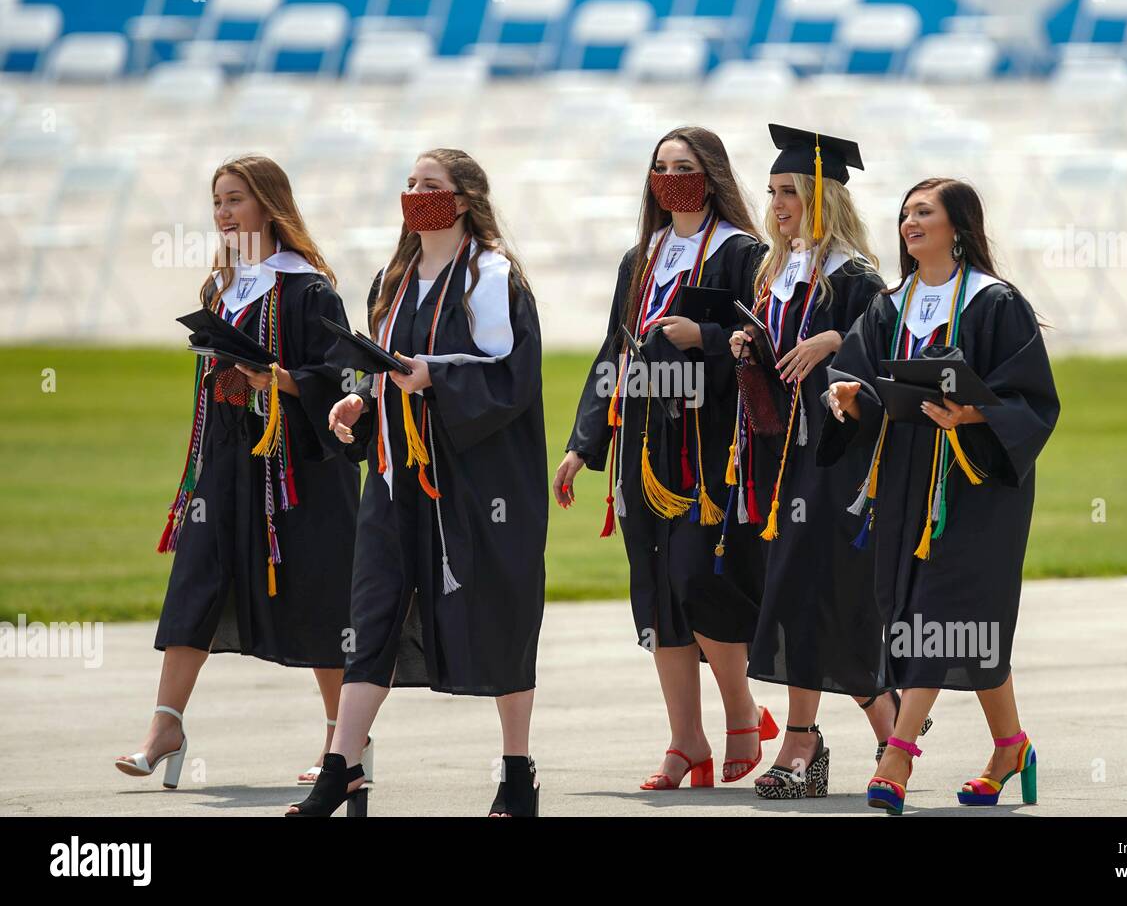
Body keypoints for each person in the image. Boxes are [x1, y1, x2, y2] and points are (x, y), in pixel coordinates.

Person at [287, 148, 546, 817]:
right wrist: (360, 404)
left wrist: (437, 376)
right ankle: (339, 768)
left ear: (462, 200)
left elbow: (512, 379)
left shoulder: (494, 277)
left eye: (430, 185)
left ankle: (517, 772)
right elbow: (384, 369)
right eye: (409, 184)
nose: (415, 194)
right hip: (398, 476)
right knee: (371, 615)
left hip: (477, 481)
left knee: (500, 615)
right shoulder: (393, 278)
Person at [115, 155, 360, 789]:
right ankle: (164, 727)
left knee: (317, 592)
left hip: (296, 467)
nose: (223, 214)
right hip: (226, 460)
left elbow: (344, 378)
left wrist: (276, 379)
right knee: (196, 576)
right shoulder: (220, 290)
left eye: (235, 201)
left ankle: (343, 742)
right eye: (217, 202)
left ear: (268, 207)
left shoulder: (309, 289)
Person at [820, 177, 1060, 814]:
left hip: (975, 485)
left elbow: (1032, 399)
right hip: (905, 481)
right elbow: (866, 381)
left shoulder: (994, 302)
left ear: (959, 226)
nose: (909, 223)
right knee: (953, 624)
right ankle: (1010, 747)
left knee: (937, 613)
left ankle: (897, 756)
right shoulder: (890, 305)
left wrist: (972, 418)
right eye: (904, 214)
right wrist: (847, 397)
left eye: (924, 212)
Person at [554, 126, 777, 789]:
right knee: (654, 598)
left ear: (711, 175)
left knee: (696, 580)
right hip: (640, 443)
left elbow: (759, 339)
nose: (671, 176)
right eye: (661, 167)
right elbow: (612, 355)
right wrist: (580, 445)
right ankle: (686, 742)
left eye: (684, 166)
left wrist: (702, 335)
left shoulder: (743, 252)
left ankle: (741, 713)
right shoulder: (640, 258)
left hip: (705, 450)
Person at [730, 125, 926, 800]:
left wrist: (835, 338)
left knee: (816, 595)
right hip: (786, 461)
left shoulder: (855, 275)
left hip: (838, 462)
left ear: (823, 197)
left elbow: (885, 349)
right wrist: (750, 344)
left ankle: (806, 744)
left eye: (791, 191)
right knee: (805, 597)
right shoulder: (778, 270)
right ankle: (886, 726)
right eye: (773, 191)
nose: (779, 204)